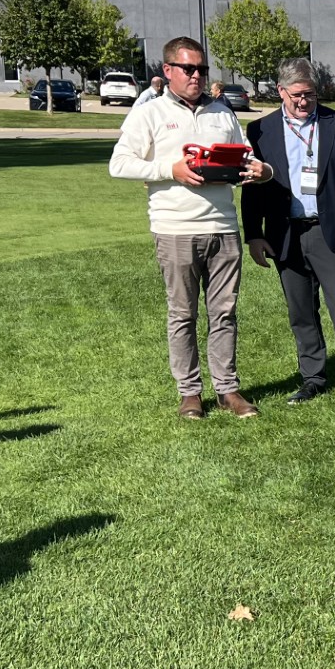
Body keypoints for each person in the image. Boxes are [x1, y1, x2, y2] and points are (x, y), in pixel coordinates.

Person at [109, 36, 271, 419]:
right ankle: (190, 393)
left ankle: (227, 390)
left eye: (202, 69)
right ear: (167, 71)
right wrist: (171, 169)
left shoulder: (222, 113)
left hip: (223, 228)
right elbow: (119, 164)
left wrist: (262, 172)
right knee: (182, 314)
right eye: (188, 69)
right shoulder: (148, 112)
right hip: (175, 228)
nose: (196, 76)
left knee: (225, 313)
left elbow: (244, 159)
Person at [242, 56, 335, 404]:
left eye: (311, 95)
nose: (304, 102)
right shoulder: (260, 130)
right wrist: (254, 234)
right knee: (301, 311)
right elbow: (252, 185)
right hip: (285, 235)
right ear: (281, 92)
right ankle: (313, 377)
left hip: (332, 232)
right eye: (298, 95)